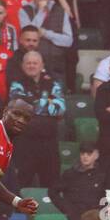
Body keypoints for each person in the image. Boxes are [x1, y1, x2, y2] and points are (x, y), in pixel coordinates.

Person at [7, 50, 64, 189]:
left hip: (49, 143)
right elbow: (18, 105)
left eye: (35, 63)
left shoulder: (53, 82)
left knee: (52, 185)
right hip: (25, 143)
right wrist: (47, 104)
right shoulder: (16, 83)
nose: (31, 66)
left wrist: (32, 103)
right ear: (23, 65)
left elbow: (60, 108)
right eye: (28, 63)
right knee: (21, 184)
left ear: (42, 65)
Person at [49, 142, 108, 220]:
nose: (85, 157)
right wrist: (66, 208)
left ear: (96, 155)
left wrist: (102, 216)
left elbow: (102, 197)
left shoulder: (101, 175)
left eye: (89, 154)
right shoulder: (70, 174)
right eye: (82, 154)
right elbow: (52, 192)